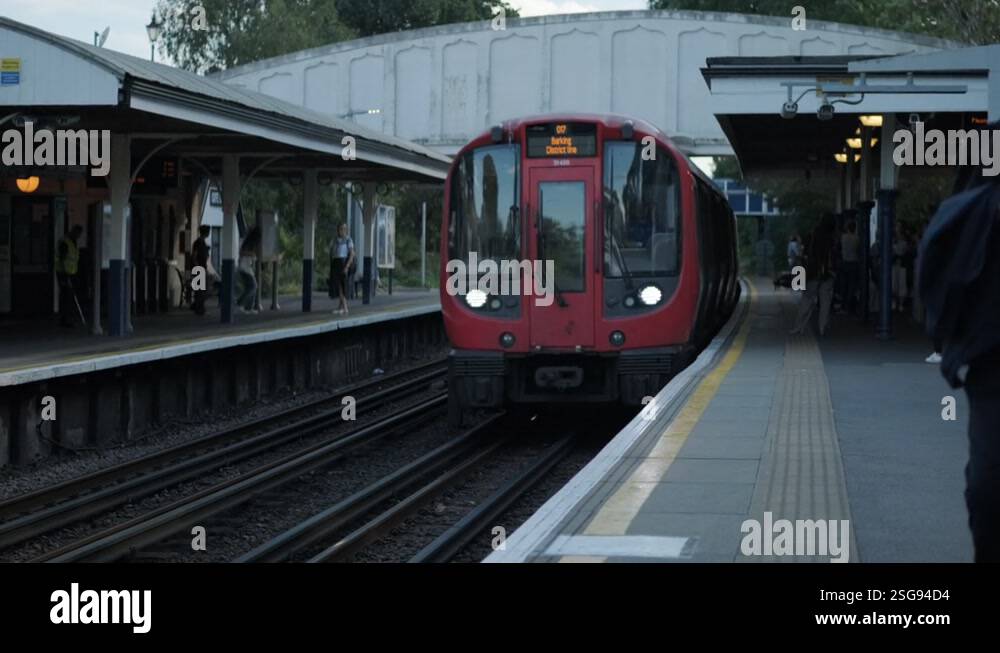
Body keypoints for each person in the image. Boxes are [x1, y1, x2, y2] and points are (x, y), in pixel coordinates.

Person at [918, 154, 1000, 562]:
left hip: (985, 365)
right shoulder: (979, 208)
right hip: (991, 366)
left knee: (987, 484)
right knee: (988, 486)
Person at [790, 214, 836, 336]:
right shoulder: (832, 237)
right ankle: (822, 328)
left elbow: (804, 253)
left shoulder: (812, 235)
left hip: (812, 272)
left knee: (807, 300)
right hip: (828, 273)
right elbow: (834, 255)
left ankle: (798, 327)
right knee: (825, 302)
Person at [56, 224, 84, 327]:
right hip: (64, 273)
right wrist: (65, 275)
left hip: (72, 272)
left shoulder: (73, 242)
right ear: (74, 232)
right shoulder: (65, 242)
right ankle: (64, 319)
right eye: (78, 234)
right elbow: (62, 259)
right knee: (65, 296)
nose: (79, 236)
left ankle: (67, 318)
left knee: (69, 296)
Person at [330, 223, 355, 315]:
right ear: (338, 230)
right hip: (336, 263)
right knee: (339, 285)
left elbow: (352, 254)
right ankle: (340, 307)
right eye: (341, 229)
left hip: (343, 263)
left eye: (344, 229)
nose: (342, 231)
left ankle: (345, 308)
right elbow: (332, 251)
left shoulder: (348, 240)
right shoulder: (335, 240)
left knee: (341, 287)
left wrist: (347, 266)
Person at [237, 227, 260, 314]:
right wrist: (252, 254)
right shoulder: (248, 243)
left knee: (252, 287)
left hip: (246, 267)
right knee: (252, 286)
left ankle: (248, 307)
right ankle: (240, 303)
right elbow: (242, 252)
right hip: (244, 267)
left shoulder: (249, 242)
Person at [839, 220, 861, 316]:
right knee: (852, 286)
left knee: (844, 285)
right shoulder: (857, 238)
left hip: (845, 262)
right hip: (854, 263)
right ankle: (850, 306)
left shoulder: (843, 237)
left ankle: (844, 306)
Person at [190, 225, 212, 316]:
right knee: (201, 290)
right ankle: (199, 309)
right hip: (199, 267)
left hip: (201, 267)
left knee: (202, 290)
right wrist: (197, 265)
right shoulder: (199, 243)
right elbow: (194, 255)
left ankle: (198, 307)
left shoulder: (202, 243)